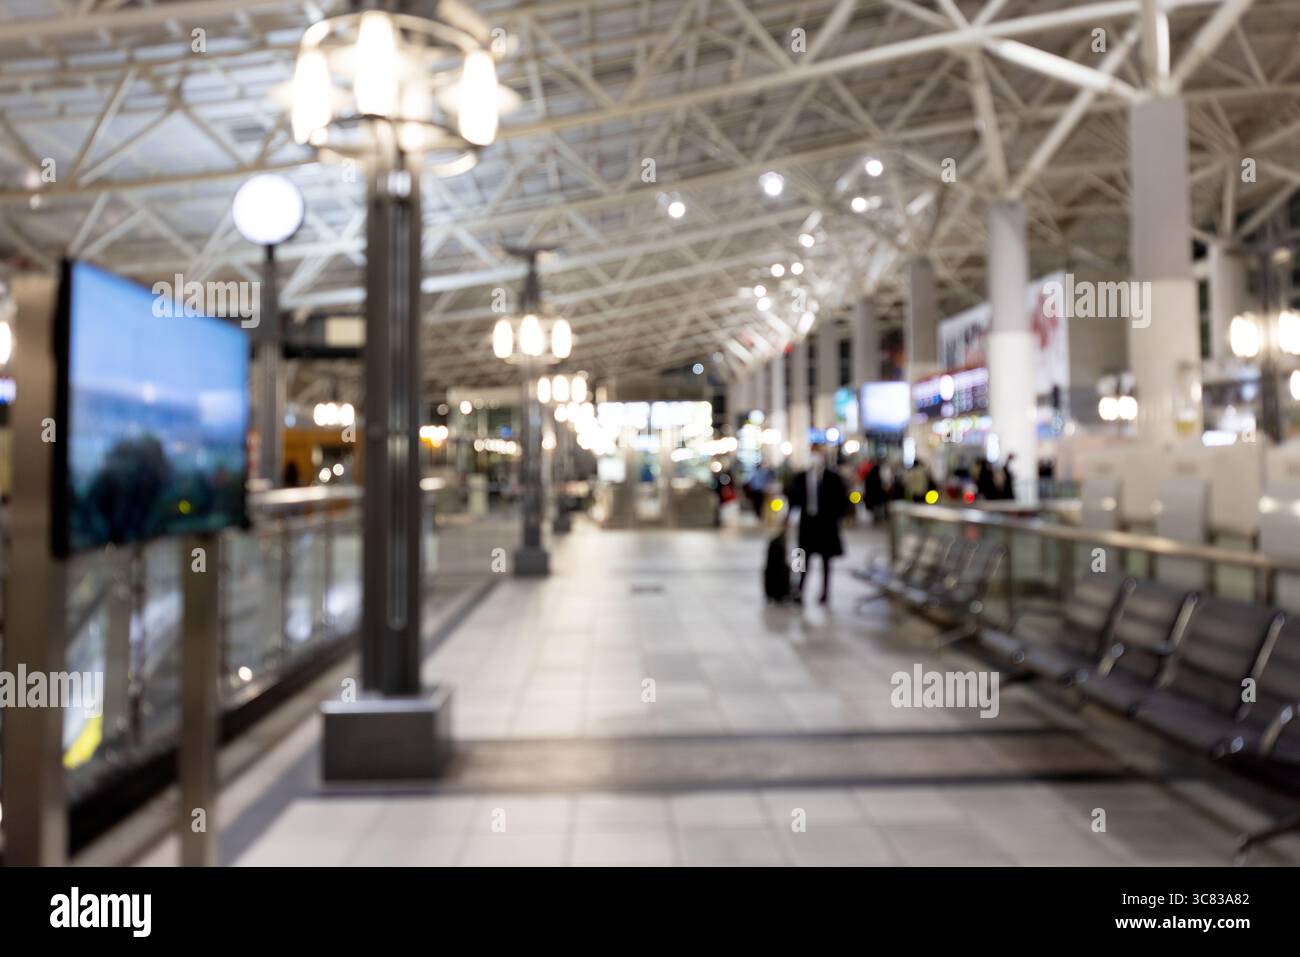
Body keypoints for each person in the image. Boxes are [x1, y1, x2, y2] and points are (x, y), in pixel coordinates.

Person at [784, 444, 850, 605]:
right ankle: (799, 589)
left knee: (826, 560)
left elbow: (843, 500)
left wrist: (837, 516)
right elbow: (793, 498)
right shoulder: (801, 477)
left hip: (826, 524)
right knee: (801, 557)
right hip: (807, 523)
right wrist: (787, 518)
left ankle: (825, 592)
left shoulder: (833, 478)